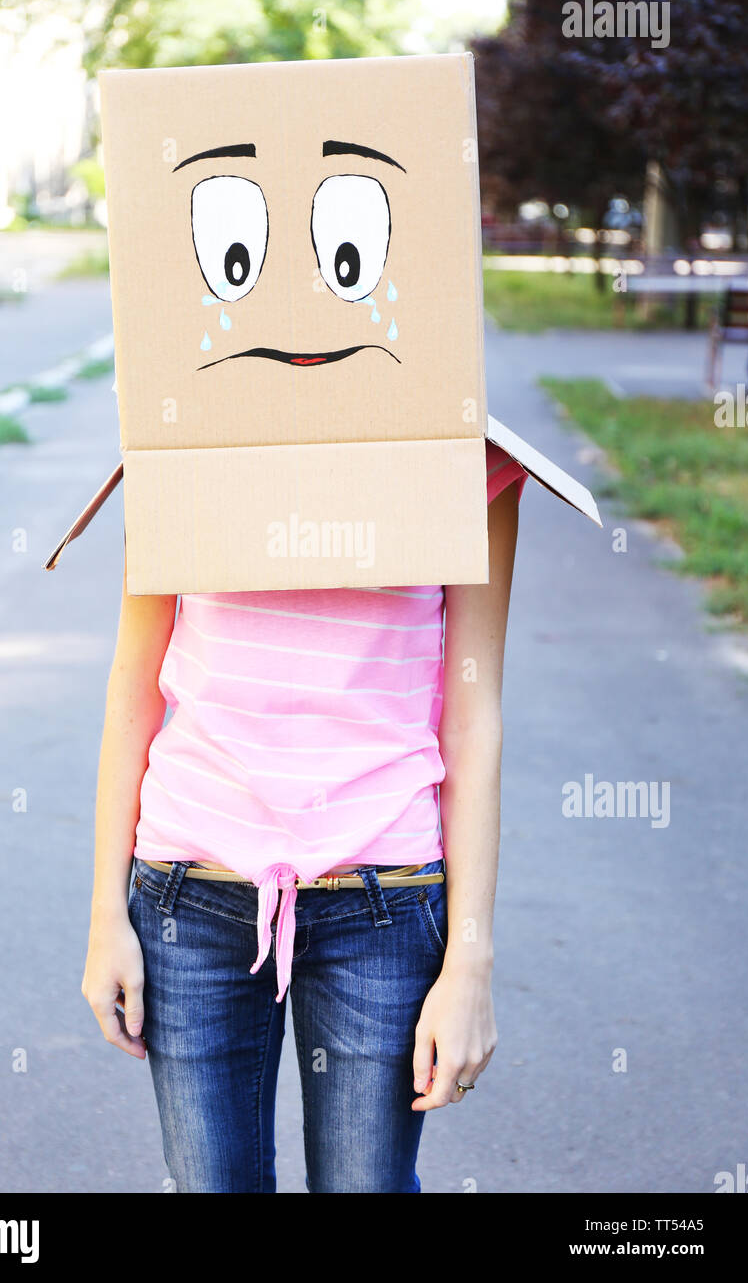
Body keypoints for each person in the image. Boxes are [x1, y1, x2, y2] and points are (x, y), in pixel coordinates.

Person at [82, 439, 527, 1193]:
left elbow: (473, 713)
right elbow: (135, 686)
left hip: (382, 903)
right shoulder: (185, 438)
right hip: (190, 899)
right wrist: (104, 918)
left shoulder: (462, 460)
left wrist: (471, 963)